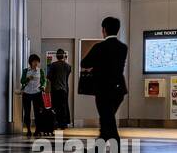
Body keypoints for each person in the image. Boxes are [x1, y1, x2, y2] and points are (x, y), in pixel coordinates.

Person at [80, 16, 128, 145]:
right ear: (117, 30)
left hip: (103, 91)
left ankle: (116, 151)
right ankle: (97, 151)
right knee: (107, 120)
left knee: (107, 120)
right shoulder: (123, 47)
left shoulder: (99, 47)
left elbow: (84, 63)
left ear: (104, 30)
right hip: (119, 90)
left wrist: (96, 67)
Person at [19, 53, 47, 137]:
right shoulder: (25, 71)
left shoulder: (40, 71)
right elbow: (22, 81)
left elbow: (43, 81)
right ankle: (28, 130)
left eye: (37, 62)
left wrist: (43, 86)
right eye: (35, 62)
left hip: (37, 93)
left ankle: (37, 130)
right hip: (27, 93)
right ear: (30, 62)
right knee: (27, 113)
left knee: (37, 113)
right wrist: (28, 78)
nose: (36, 64)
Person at [47, 49, 72, 129]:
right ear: (63, 56)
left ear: (57, 56)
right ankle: (63, 124)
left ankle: (55, 123)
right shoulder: (68, 66)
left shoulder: (53, 65)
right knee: (63, 106)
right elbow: (67, 76)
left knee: (55, 106)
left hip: (55, 89)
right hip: (64, 89)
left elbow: (49, 77)